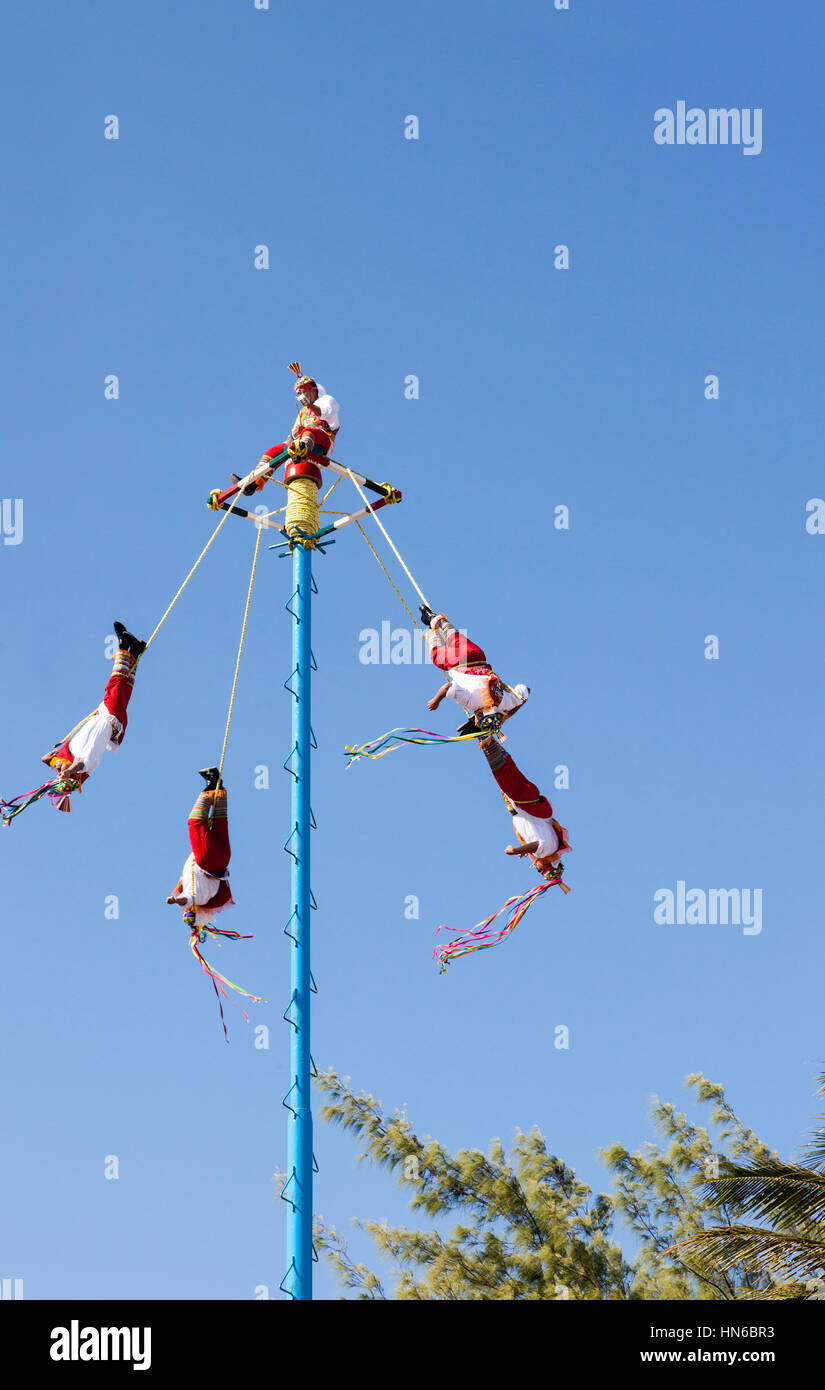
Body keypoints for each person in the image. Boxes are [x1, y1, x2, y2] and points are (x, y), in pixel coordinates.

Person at [39, 621, 145, 806]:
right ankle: (123, 645)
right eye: (62, 775)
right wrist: (70, 771)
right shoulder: (85, 764)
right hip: (110, 721)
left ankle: (134, 651)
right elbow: (79, 765)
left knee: (122, 688)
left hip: (104, 715)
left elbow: (53, 761)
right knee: (115, 685)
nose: (59, 772)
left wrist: (50, 762)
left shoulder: (67, 758)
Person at [234, 362, 340, 497]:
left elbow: (325, 413)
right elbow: (295, 432)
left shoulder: (326, 400)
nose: (301, 395)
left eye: (303, 391)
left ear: (313, 390)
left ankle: (302, 452)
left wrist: (309, 409)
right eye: (299, 393)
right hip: (304, 438)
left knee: (309, 432)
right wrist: (299, 430)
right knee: (274, 450)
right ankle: (254, 482)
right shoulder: (303, 412)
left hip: (323, 439)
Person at [420, 606, 529, 736]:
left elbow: (525, 690)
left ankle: (435, 619)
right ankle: (431, 631)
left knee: (453, 636)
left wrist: (508, 714)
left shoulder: (505, 702)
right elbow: (448, 687)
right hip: (457, 662)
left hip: (476, 656)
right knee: (436, 655)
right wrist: (435, 701)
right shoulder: (471, 702)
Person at [479, 733, 571, 882]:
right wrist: (516, 850)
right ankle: (485, 739)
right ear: (549, 866)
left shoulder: (551, 849)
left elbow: (534, 845)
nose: (538, 870)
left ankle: (487, 734)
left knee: (508, 770)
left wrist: (524, 850)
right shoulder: (546, 852)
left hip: (527, 801)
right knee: (503, 775)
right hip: (526, 803)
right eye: (542, 872)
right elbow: (536, 845)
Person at [167, 768, 235, 929]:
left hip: (223, 859)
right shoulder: (197, 898)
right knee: (195, 822)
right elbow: (187, 900)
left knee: (219, 820)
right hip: (207, 859)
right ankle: (210, 787)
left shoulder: (210, 897)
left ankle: (216, 785)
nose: (185, 911)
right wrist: (176, 901)